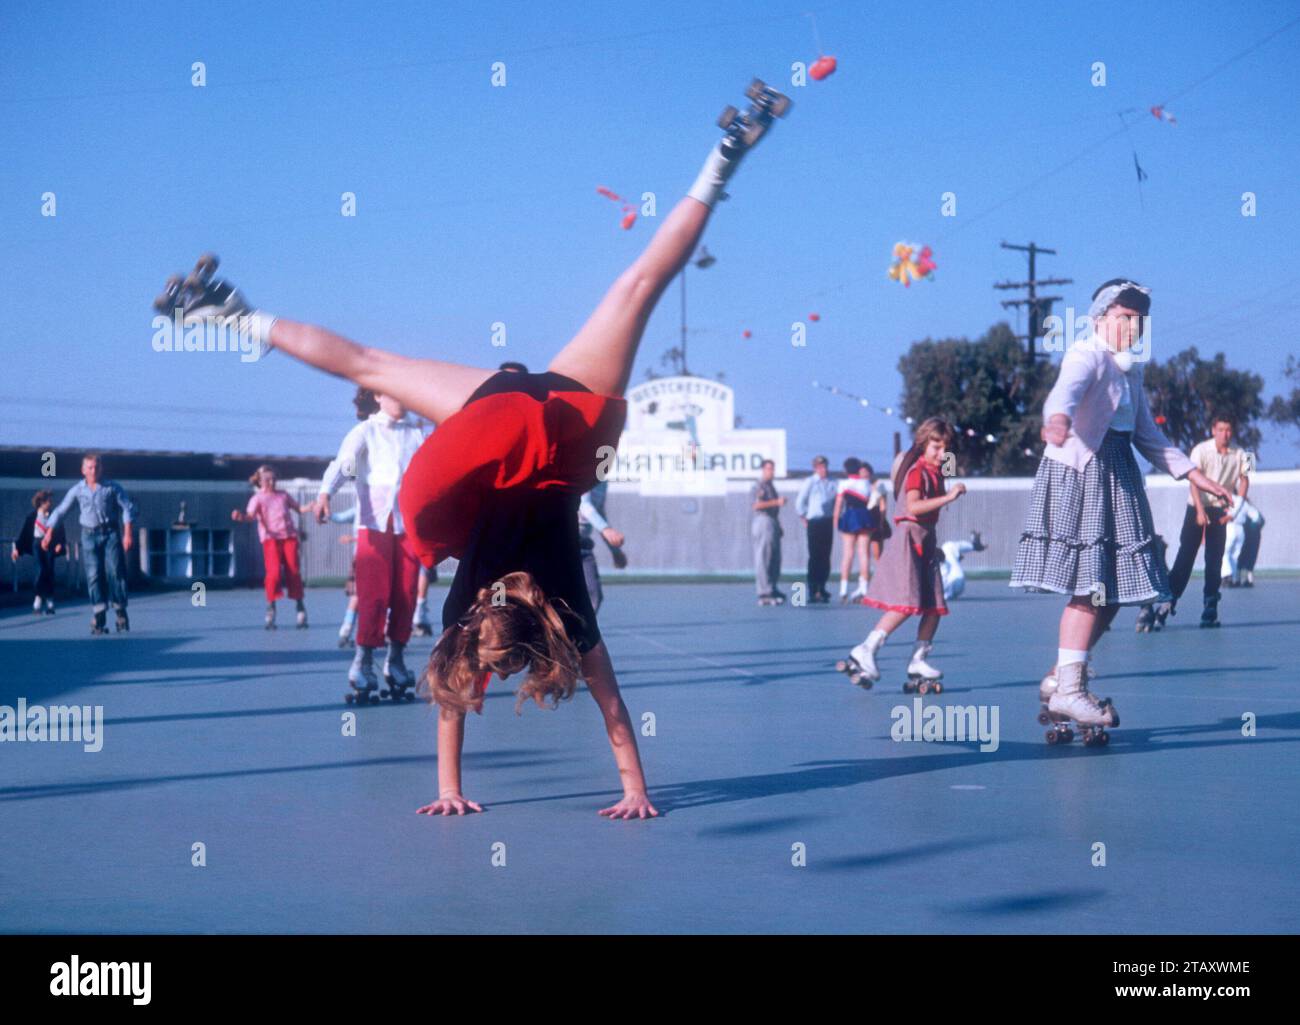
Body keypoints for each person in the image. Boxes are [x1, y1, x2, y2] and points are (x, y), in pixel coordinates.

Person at [158, 76, 785, 817]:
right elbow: (465, 691)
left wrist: (635, 791)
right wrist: (451, 789)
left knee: (639, 284)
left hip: (563, 423)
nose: (477, 658)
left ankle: (725, 155)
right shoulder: (490, 609)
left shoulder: (562, 613)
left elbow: (605, 707)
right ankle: (228, 317)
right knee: (372, 364)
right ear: (502, 630)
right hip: (500, 428)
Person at [1010, 280, 1234, 732]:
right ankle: (1071, 689)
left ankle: (1062, 678)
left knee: (1115, 590)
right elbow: (1065, 392)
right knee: (1090, 587)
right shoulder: (1086, 353)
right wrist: (1055, 419)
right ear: (1099, 319)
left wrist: (1196, 474)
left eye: (1138, 320)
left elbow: (1148, 435)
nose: (1132, 327)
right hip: (1084, 472)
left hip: (1120, 475)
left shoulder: (1132, 370)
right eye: (1123, 318)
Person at [840, 419, 966, 687]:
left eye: (946, 449)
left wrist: (949, 445)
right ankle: (865, 650)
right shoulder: (916, 472)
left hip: (926, 539)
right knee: (906, 603)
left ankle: (918, 660)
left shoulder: (938, 469)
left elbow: (949, 469)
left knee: (934, 606)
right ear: (923, 445)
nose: (941, 454)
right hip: (909, 539)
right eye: (935, 447)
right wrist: (949, 497)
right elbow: (914, 506)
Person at [318, 387, 425, 699]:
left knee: (405, 595)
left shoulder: (416, 434)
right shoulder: (365, 431)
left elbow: (435, 470)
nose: (403, 399)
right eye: (394, 393)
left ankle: (396, 660)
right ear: (378, 396)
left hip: (407, 526)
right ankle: (362, 662)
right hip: (373, 525)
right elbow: (344, 463)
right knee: (374, 596)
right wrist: (326, 493)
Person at [1163, 417, 1250, 627]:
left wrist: (1234, 512)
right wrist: (1200, 512)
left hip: (1219, 510)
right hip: (1197, 508)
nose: (1225, 434)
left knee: (1215, 561)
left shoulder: (1241, 453)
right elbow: (1194, 480)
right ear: (1213, 430)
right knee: (1185, 558)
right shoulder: (1200, 450)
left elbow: (1245, 480)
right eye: (1221, 429)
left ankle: (1210, 607)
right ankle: (1168, 601)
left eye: (1229, 430)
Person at [45, 454, 137, 635]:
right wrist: (49, 532)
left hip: (110, 533)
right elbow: (61, 510)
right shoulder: (77, 490)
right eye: (89, 468)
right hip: (89, 535)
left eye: (96, 467)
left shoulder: (112, 488)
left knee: (115, 571)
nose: (93, 471)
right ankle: (99, 614)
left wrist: (128, 534)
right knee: (93, 574)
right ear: (83, 470)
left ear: (101, 469)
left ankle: (120, 611)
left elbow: (127, 508)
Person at [231, 465, 312, 629]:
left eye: (274, 479)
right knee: (273, 574)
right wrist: (241, 517)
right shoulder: (257, 499)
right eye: (267, 479)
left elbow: (300, 509)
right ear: (260, 481)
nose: (271, 482)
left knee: (294, 572)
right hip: (271, 540)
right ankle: (271, 608)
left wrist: (311, 506)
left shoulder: (283, 496)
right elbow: (250, 516)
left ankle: (300, 608)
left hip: (289, 538)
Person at [12, 490, 67, 615]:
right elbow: (24, 535)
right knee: (40, 569)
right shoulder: (32, 517)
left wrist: (60, 544)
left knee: (49, 570)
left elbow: (60, 533)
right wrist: (17, 549)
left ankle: (49, 600)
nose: (50, 503)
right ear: (41, 502)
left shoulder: (54, 516)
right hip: (37, 544)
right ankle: (37, 598)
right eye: (47, 501)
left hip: (50, 545)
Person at [578, 480, 626, 614]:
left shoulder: (602, 482)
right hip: (563, 544)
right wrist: (605, 528)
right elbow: (584, 505)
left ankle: (583, 633)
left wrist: (615, 551)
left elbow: (599, 512)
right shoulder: (584, 470)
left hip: (583, 546)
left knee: (595, 596)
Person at [795, 455, 836, 603]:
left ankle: (822, 586)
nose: (823, 469)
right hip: (814, 522)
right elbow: (800, 501)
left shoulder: (832, 483)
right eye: (819, 467)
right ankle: (813, 590)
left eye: (824, 466)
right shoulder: (810, 482)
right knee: (815, 556)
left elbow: (837, 500)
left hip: (827, 521)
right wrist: (804, 516)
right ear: (815, 468)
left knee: (826, 556)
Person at [832, 457, 873, 602]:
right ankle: (864, 588)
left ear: (845, 470)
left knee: (848, 553)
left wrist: (836, 521)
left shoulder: (843, 484)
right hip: (865, 516)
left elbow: (838, 505)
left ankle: (843, 589)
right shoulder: (867, 483)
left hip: (850, 516)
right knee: (864, 554)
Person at [751, 458, 786, 606]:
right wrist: (776, 502)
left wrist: (778, 525)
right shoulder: (759, 486)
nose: (771, 472)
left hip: (772, 521)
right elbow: (756, 505)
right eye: (769, 469)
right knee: (764, 557)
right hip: (763, 521)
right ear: (763, 470)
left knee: (775, 558)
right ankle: (764, 592)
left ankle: (772, 588)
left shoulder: (771, 486)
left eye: (773, 469)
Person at [940, 531, 986, 601]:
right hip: (953, 583)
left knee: (946, 554)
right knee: (947, 547)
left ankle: (973, 546)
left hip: (946, 586)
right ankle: (974, 546)